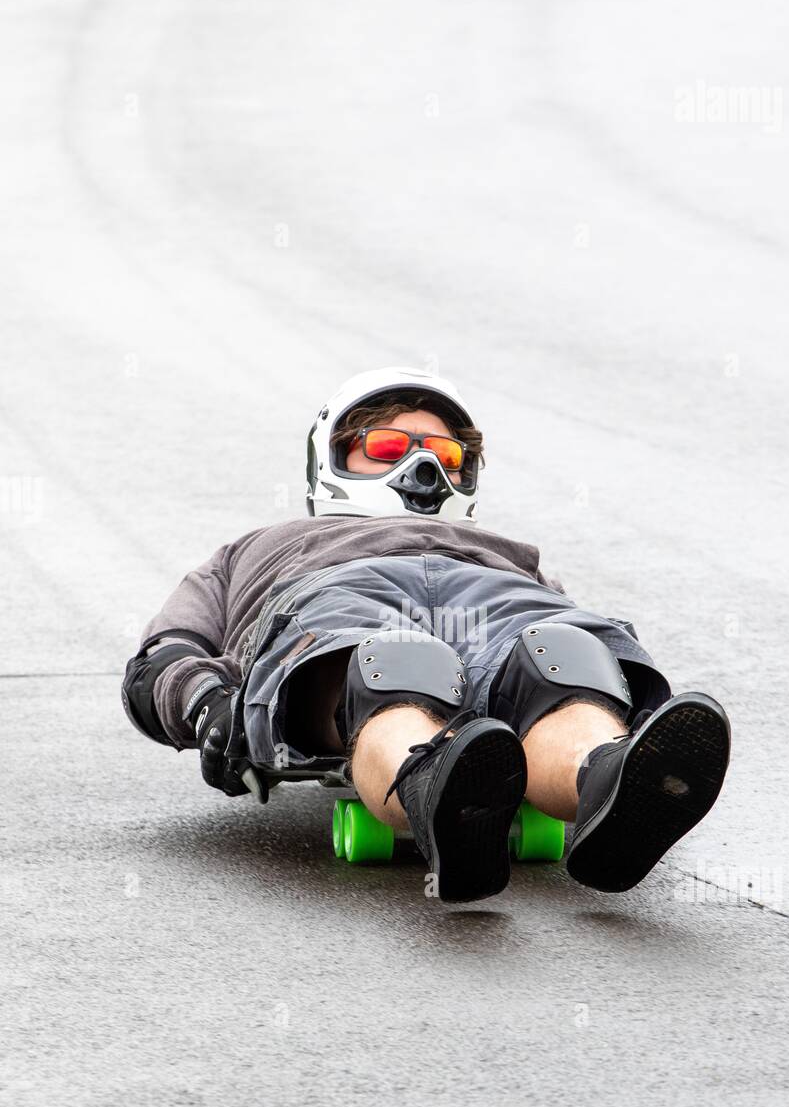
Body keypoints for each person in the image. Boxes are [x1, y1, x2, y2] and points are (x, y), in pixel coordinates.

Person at [122, 366, 730, 903]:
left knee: (560, 655)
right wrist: (206, 704)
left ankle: (607, 785)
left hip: (489, 592)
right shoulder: (254, 548)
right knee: (393, 663)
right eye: (386, 446)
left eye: (446, 454)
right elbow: (161, 659)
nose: (421, 468)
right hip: (342, 592)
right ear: (331, 459)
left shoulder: (510, 553)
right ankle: (437, 788)